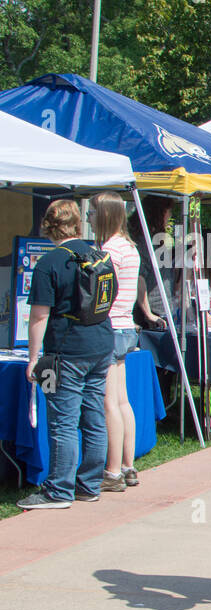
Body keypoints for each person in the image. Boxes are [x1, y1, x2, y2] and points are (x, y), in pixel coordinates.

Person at [18, 200, 115, 509]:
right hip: (100, 345)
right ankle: (89, 484)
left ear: (48, 225)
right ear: (77, 224)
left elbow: (38, 317)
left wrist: (33, 359)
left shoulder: (49, 264)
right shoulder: (99, 256)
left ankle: (59, 490)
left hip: (64, 352)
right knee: (93, 416)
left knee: (62, 421)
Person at [92, 192, 149, 490]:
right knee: (123, 400)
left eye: (92, 212)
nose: (88, 218)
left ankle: (112, 470)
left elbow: (100, 292)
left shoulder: (109, 250)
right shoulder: (130, 247)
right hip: (127, 325)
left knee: (108, 401)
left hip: (110, 327)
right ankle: (128, 465)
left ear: (103, 215)